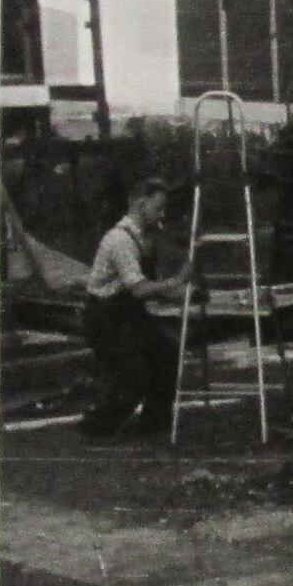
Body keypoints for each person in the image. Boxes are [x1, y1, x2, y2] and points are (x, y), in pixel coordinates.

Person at [79, 177, 189, 439]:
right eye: (158, 208)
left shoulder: (144, 236)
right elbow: (139, 288)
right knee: (133, 375)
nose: (162, 215)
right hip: (105, 316)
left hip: (129, 313)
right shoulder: (119, 239)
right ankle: (96, 428)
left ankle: (153, 424)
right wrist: (176, 282)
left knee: (168, 354)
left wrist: (181, 291)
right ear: (141, 205)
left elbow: (152, 285)